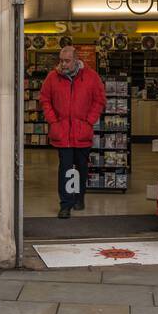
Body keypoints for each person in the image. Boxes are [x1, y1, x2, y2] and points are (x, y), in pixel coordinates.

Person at [39, 45, 106, 219]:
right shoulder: (52, 77)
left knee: (81, 167)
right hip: (62, 133)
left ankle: (79, 196)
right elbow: (45, 99)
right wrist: (53, 120)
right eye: (61, 60)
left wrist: (89, 120)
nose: (63, 64)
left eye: (67, 61)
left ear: (76, 60)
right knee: (66, 169)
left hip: (82, 131)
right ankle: (66, 204)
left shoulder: (91, 77)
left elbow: (99, 100)